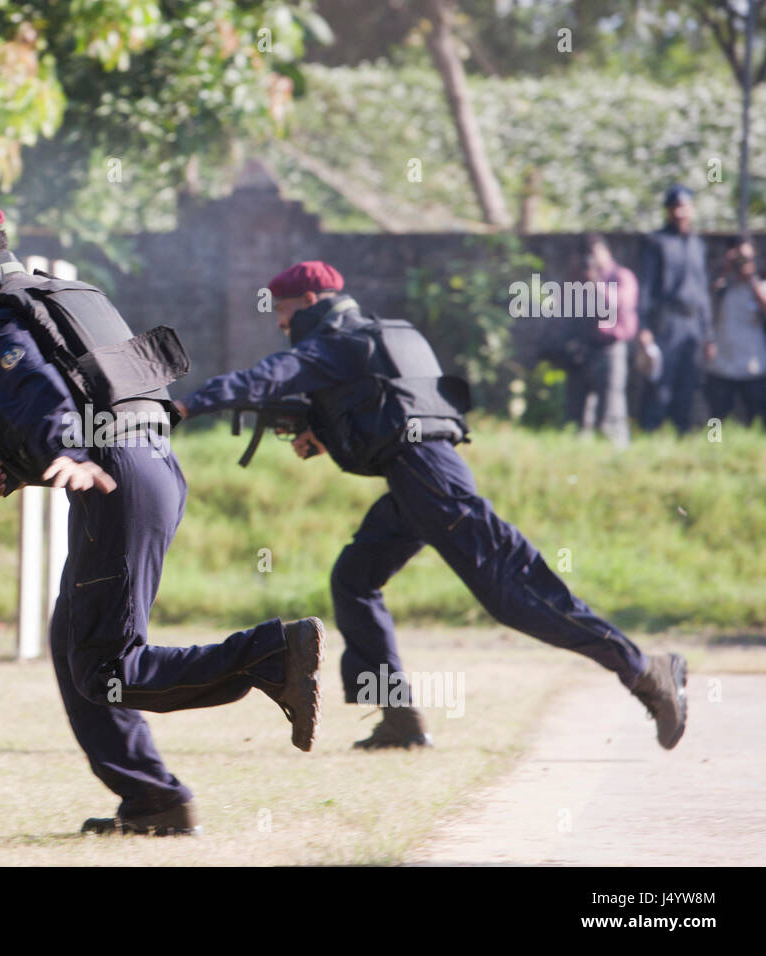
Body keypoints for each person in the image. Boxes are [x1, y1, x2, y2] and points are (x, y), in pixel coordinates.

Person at [0, 202, 325, 837]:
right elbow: (88, 389)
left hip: (115, 477)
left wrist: (60, 450)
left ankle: (268, 654)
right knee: (74, 640)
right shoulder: (64, 295)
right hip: (149, 467)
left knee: (107, 670)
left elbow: (37, 389)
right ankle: (153, 801)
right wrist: (26, 464)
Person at [174, 261, 689, 751]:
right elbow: (388, 406)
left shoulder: (334, 340)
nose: (282, 325)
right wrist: (325, 429)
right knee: (354, 578)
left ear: (309, 300)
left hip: (429, 480)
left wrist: (186, 404)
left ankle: (645, 670)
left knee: (517, 591)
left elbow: (267, 376)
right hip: (416, 476)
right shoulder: (377, 336)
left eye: (283, 312)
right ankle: (398, 718)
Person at [637, 185, 713, 434]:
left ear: (691, 209)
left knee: (689, 382)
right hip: (667, 321)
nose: (679, 213)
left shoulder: (697, 244)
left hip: (693, 324)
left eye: (683, 207)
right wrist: (644, 326)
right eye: (674, 208)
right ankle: (650, 433)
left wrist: (708, 333)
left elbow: (702, 291)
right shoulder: (656, 242)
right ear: (668, 211)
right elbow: (646, 287)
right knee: (661, 381)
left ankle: (684, 434)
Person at [564, 234, 638, 447]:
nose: (592, 259)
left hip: (610, 348)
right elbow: (565, 308)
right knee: (577, 410)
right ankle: (580, 453)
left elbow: (615, 306)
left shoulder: (622, 277)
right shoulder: (578, 278)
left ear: (606, 252)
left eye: (594, 253)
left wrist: (594, 282)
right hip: (583, 348)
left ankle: (616, 451)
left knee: (612, 409)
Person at [703, 237, 766, 428]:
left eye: (746, 257)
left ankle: (756, 454)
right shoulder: (720, 284)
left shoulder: (760, 285)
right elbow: (706, 305)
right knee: (716, 418)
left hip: (753, 365)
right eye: (738, 257)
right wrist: (725, 271)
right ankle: (713, 450)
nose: (742, 262)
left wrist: (751, 278)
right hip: (721, 364)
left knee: (758, 418)